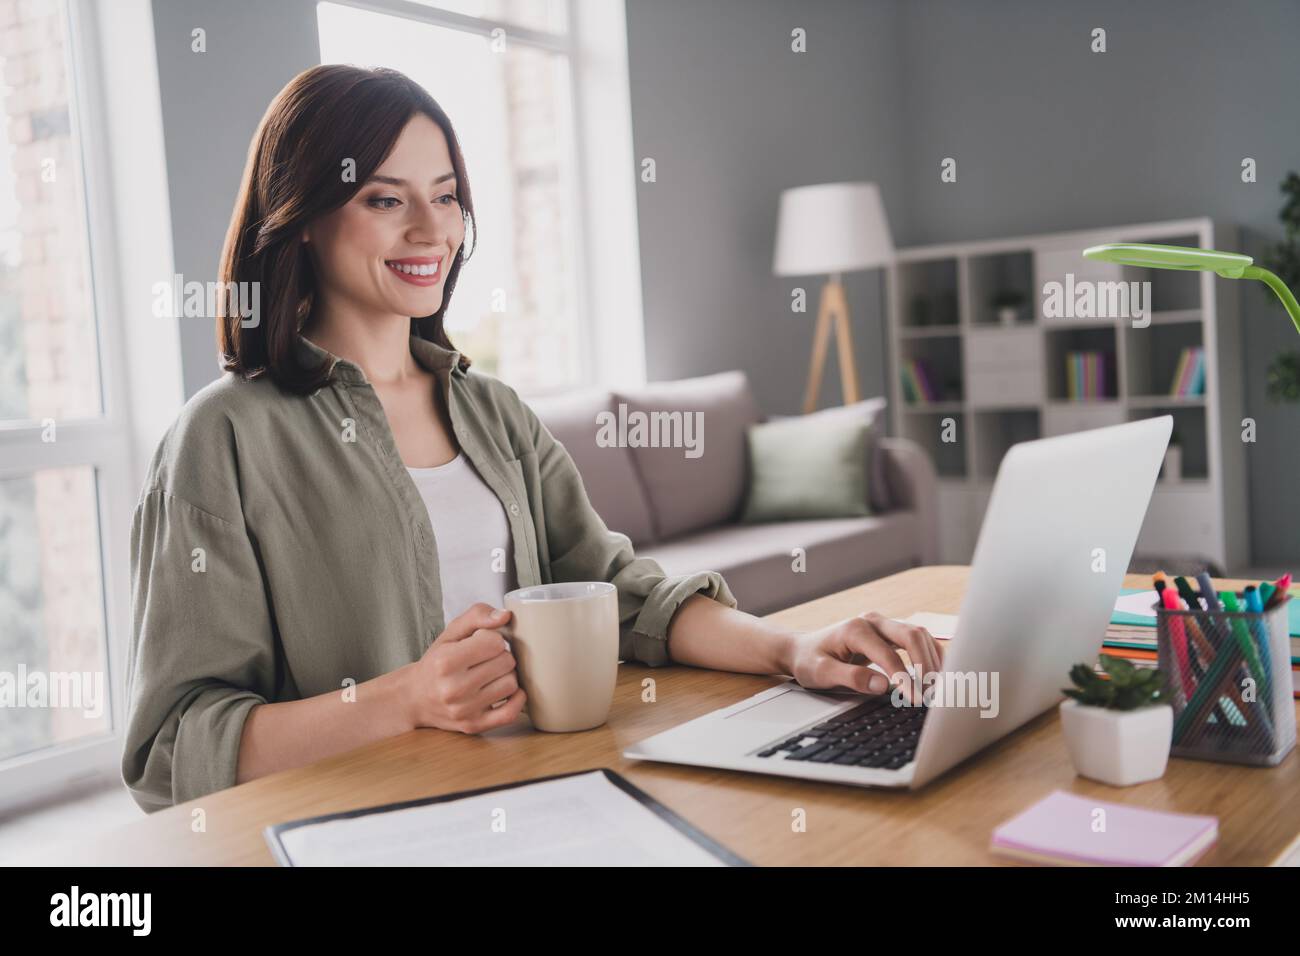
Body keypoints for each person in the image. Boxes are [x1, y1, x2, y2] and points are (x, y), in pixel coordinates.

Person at [122, 65, 940, 813]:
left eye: (446, 196)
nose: (430, 229)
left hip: (544, 793)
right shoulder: (221, 439)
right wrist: (407, 699)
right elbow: (171, 747)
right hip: (370, 828)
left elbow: (619, 593)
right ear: (300, 216)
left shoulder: (494, 411)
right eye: (384, 199)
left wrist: (794, 650)